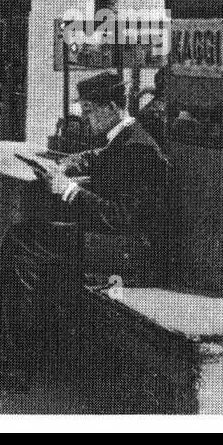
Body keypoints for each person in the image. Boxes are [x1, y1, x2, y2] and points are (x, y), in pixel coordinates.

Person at [47, 71, 173, 286]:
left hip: (134, 249)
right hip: (122, 241)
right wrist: (68, 163)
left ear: (112, 108)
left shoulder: (137, 149)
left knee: (28, 239)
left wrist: (69, 190)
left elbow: (121, 216)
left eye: (89, 110)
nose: (85, 119)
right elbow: (101, 156)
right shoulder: (126, 136)